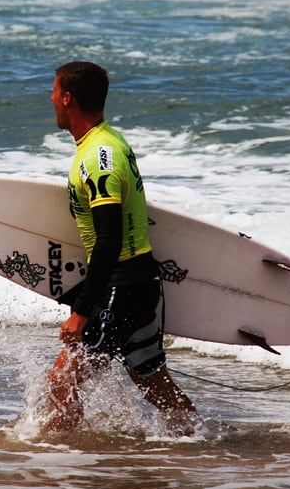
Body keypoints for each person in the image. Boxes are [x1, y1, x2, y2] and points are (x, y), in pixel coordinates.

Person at [44, 61, 199, 435]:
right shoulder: (107, 142)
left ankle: (63, 465)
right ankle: (204, 444)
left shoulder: (99, 158)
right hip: (136, 285)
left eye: (53, 91)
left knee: (60, 383)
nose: (50, 99)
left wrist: (82, 312)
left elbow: (109, 240)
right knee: (154, 385)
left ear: (67, 98)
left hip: (123, 290)